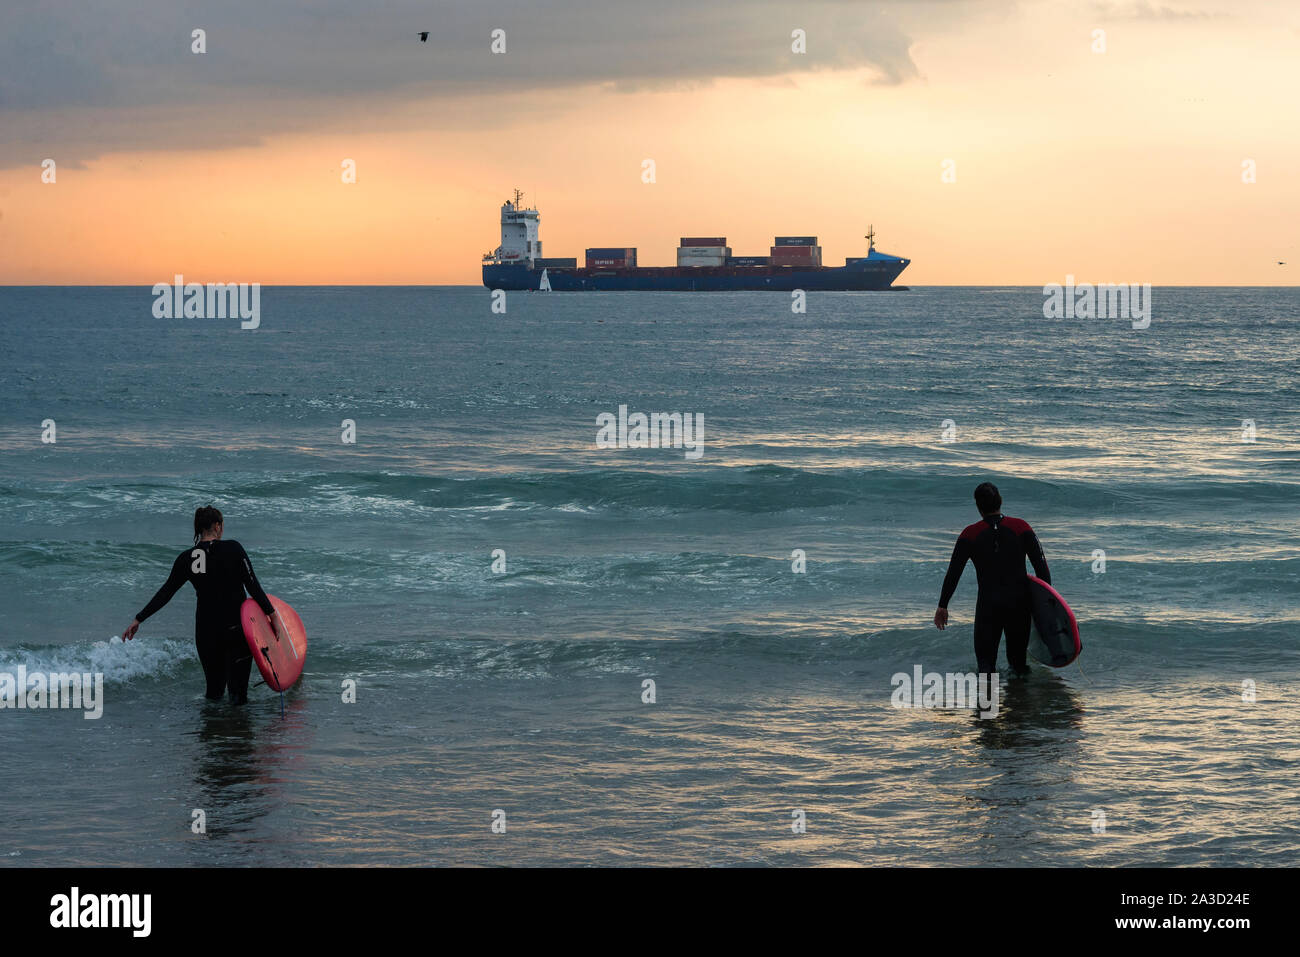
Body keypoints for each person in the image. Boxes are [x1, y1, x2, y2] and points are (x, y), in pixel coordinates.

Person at [123, 506, 283, 704]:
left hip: (207, 633)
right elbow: (253, 586)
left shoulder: (186, 558)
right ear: (217, 526)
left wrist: (139, 618)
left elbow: (166, 593)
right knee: (238, 696)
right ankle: (237, 732)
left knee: (214, 693)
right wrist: (273, 616)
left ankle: (211, 732)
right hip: (237, 630)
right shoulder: (234, 549)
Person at [934, 482, 1050, 676]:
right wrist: (1045, 609)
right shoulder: (1021, 527)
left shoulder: (970, 534)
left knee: (986, 667)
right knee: (1018, 664)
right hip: (1019, 605)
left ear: (978, 507)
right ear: (1000, 501)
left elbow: (954, 572)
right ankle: (1021, 703)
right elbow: (1042, 571)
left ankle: (987, 705)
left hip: (989, 606)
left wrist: (942, 605)